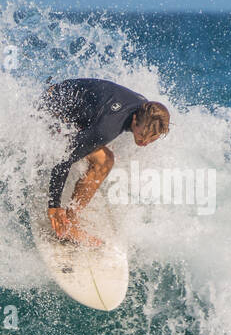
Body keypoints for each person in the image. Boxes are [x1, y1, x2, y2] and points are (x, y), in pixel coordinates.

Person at [39, 78, 170, 246]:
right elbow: (64, 158)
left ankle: (73, 212)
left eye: (152, 138)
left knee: (95, 144)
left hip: (59, 96)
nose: (145, 141)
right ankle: (69, 224)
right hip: (48, 114)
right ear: (135, 120)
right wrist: (53, 205)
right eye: (143, 135)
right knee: (105, 160)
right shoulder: (107, 128)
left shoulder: (147, 110)